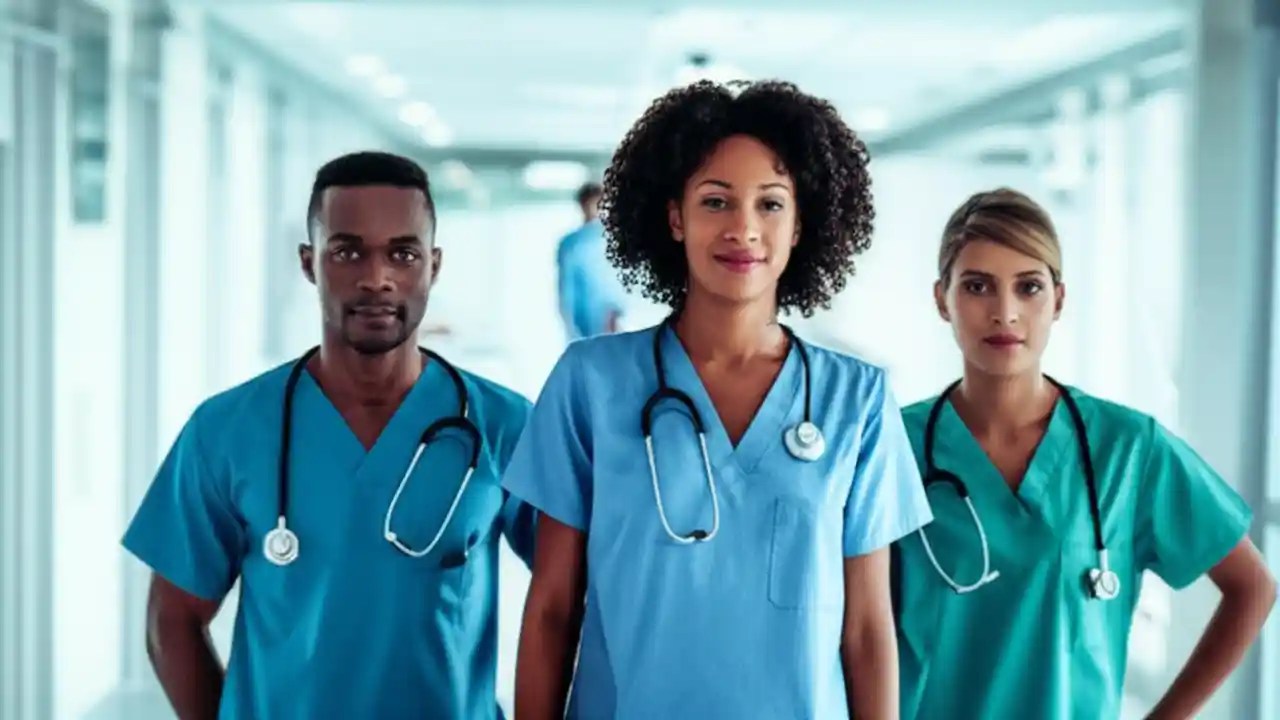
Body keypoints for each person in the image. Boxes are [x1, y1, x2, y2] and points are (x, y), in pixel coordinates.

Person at [503, 80, 933, 720]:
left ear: (799, 224)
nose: (743, 228)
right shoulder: (590, 383)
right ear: (675, 217)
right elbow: (553, 606)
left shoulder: (857, 400)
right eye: (715, 201)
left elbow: (869, 630)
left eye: (770, 204)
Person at [122, 151, 537, 720]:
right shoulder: (227, 430)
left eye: (403, 253)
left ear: (433, 266)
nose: (376, 277)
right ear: (308, 262)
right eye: (346, 252)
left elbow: (575, 599)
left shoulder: (503, 425)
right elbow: (171, 620)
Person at [891, 188, 1277, 719]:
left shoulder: (1128, 447)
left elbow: (1252, 586)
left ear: (1059, 300)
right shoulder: (893, 446)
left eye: (1029, 287)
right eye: (978, 286)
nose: (1005, 312)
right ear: (942, 299)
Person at [555, 181, 626, 339]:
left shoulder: (612, 239)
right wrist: (569, 322)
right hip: (582, 314)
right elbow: (565, 287)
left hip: (609, 315)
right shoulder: (571, 243)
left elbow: (619, 282)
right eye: (589, 204)